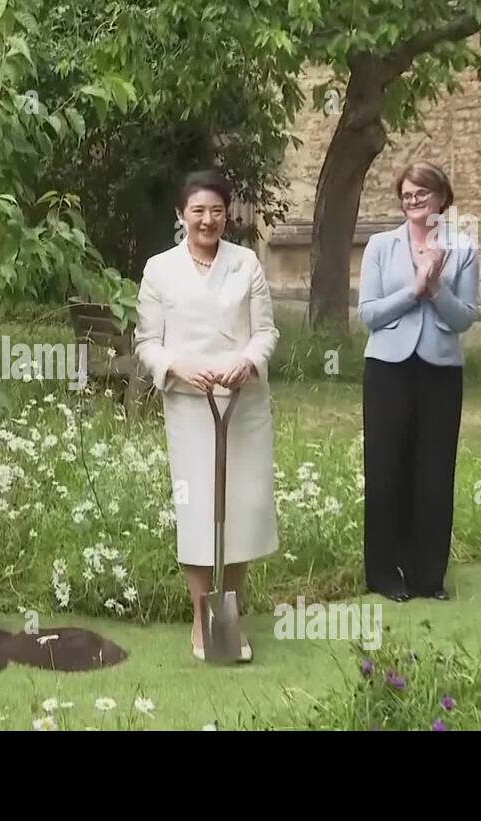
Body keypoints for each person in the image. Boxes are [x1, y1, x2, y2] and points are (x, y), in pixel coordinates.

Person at [135, 169, 279, 661]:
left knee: (240, 512)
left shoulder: (246, 265)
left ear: (227, 214)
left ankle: (229, 622)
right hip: (191, 407)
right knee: (200, 515)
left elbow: (266, 333)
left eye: (216, 210)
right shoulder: (160, 269)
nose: (208, 220)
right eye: (197, 210)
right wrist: (179, 366)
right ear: (181, 215)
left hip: (243, 405)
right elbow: (147, 344)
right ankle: (203, 624)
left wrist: (248, 362)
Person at [358, 161, 479, 602]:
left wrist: (436, 289)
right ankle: (384, 574)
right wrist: (414, 289)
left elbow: (465, 318)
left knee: (434, 472)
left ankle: (429, 576)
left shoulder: (463, 248)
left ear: (441, 197)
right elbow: (368, 313)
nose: (413, 202)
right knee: (387, 470)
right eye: (406, 195)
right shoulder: (379, 246)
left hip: (441, 371)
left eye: (421, 194)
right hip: (388, 368)